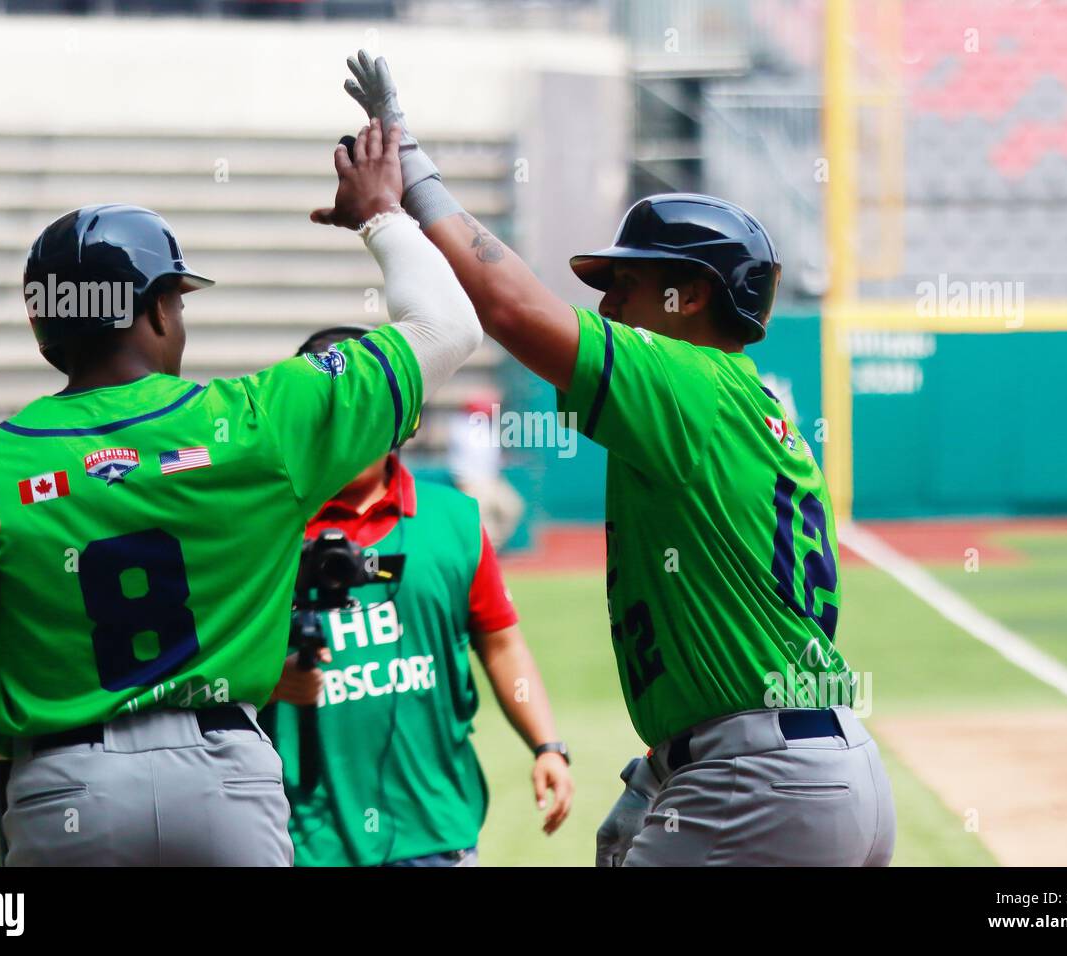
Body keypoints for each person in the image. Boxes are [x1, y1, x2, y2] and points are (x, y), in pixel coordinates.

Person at [330, 51, 896, 867]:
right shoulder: (743, 398)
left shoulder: (688, 381)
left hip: (758, 784)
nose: (604, 303)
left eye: (625, 283)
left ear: (691, 295)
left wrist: (405, 175)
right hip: (806, 770)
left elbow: (508, 306)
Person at [0, 119, 483, 865]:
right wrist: (384, 213)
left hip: (63, 789)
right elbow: (449, 325)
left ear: (43, 324)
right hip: (225, 780)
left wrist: (50, 723)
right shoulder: (260, 424)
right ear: (160, 308)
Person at [262, 327, 572, 867]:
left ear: (399, 413)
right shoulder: (261, 530)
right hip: (300, 842)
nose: (348, 426)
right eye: (329, 409)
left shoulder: (454, 520)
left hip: (435, 836)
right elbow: (204, 658)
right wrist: (264, 676)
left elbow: (500, 643)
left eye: (364, 407)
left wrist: (547, 744)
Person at [447, 390, 525, 549]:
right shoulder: (461, 426)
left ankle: (493, 548)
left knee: (513, 507)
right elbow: (473, 452)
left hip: (492, 479)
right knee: (483, 521)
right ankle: (485, 555)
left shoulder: (486, 426)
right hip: (471, 481)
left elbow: (491, 453)